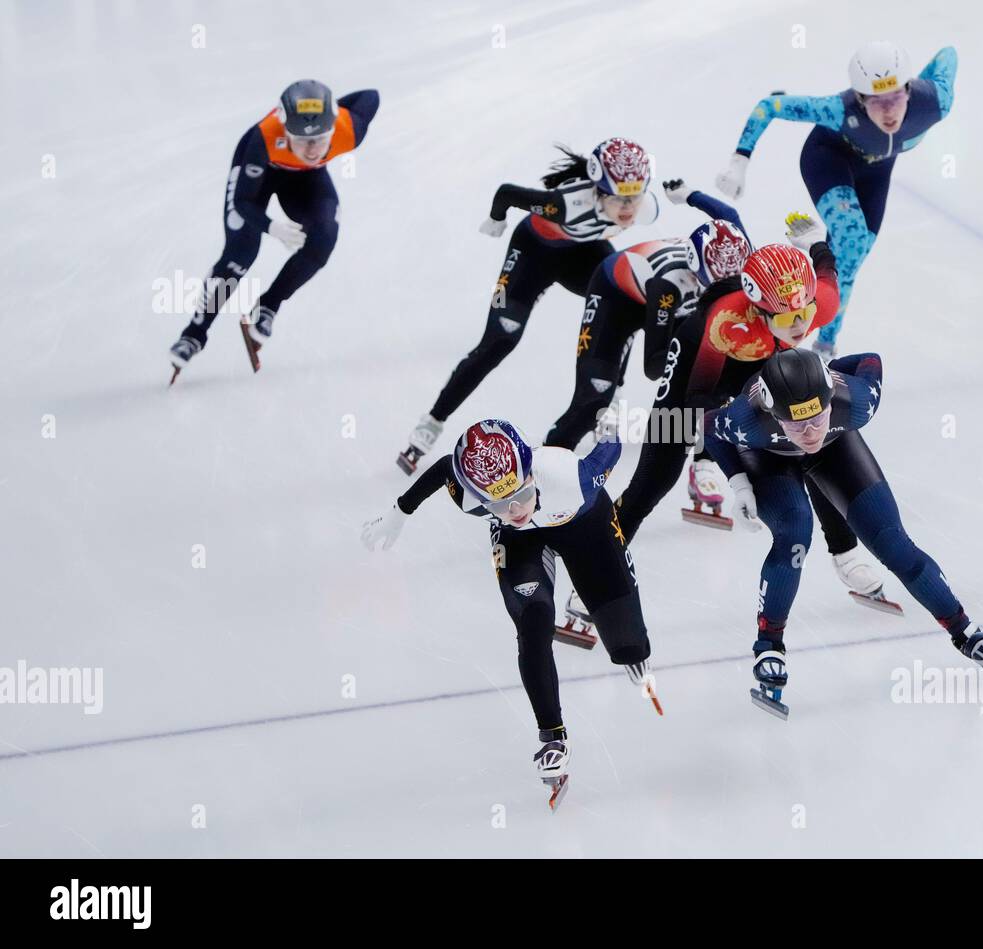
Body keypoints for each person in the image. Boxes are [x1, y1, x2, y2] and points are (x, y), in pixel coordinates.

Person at [704, 348, 983, 718]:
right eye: (796, 424)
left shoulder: (856, 401)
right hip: (769, 456)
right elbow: (709, 426)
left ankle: (964, 630)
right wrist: (740, 483)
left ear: (828, 401)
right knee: (795, 535)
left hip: (837, 446)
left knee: (893, 543)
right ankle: (769, 646)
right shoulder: (748, 420)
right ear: (774, 414)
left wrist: (830, 371)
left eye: (817, 418)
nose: (809, 433)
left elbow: (870, 359)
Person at [362, 420, 659, 808]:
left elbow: (611, 450)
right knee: (533, 625)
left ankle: (628, 646)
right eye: (500, 505)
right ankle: (552, 737)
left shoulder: (574, 476)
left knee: (628, 643)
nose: (515, 509)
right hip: (520, 544)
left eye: (520, 494)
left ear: (531, 472)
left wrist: (611, 428)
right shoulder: (469, 495)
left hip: (584, 523)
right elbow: (441, 471)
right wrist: (399, 512)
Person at [614, 214, 895, 607]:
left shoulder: (817, 302)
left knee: (810, 445)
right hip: (694, 387)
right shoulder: (726, 323)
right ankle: (601, 564)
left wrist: (816, 243)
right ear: (759, 310)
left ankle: (845, 553)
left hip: (761, 371)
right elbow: (699, 400)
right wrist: (733, 472)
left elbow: (827, 273)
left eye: (805, 315)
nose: (800, 327)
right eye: (785, 318)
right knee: (652, 482)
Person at [396, 139, 659, 474]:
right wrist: (496, 221)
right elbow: (506, 193)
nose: (628, 209)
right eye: (619, 199)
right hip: (532, 256)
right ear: (597, 190)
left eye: (634, 198)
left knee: (625, 299)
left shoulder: (647, 206)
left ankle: (612, 396)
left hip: (582, 253)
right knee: (499, 342)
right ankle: (430, 425)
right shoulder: (563, 205)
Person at [714, 42, 957, 357]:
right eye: (876, 101)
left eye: (896, 96)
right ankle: (817, 341)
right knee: (851, 240)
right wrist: (739, 162)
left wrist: (917, 80)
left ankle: (816, 332)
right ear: (859, 98)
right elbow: (769, 107)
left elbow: (948, 53)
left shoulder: (935, 101)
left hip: (876, 173)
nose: (888, 110)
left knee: (850, 261)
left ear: (908, 89)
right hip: (828, 159)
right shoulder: (839, 108)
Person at [543, 178, 751, 515]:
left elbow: (726, 212)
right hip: (618, 296)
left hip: (686, 307)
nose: (727, 297)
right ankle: (545, 467)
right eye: (717, 287)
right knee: (593, 397)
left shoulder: (738, 249)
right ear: (696, 271)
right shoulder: (669, 284)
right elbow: (655, 366)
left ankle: (705, 466)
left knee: (721, 373)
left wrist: (688, 195)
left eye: (733, 286)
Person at [168, 79, 380, 381]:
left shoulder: (348, 128)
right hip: (258, 176)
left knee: (323, 238)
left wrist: (328, 108)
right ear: (284, 129)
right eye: (302, 139)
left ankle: (267, 307)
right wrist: (271, 227)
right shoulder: (264, 138)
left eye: (320, 139)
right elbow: (243, 201)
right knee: (240, 255)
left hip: (306, 181)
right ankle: (194, 334)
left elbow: (370, 95)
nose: (311, 149)